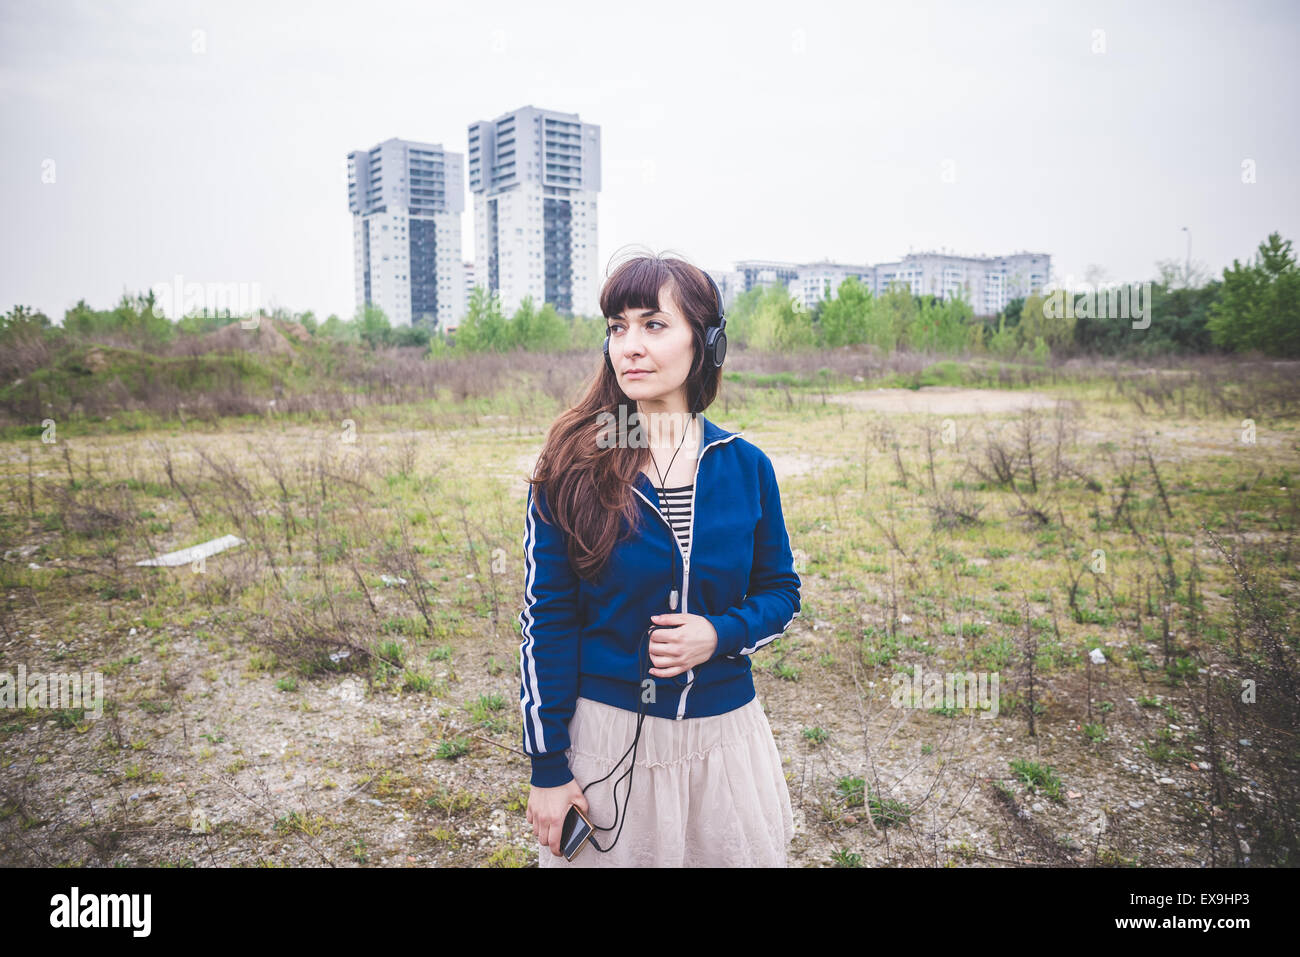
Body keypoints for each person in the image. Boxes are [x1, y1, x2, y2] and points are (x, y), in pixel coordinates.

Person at [518, 252, 801, 867]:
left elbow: (781, 592)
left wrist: (720, 634)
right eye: (617, 327)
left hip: (723, 740)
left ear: (705, 341)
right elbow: (547, 620)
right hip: (606, 742)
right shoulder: (571, 466)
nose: (630, 346)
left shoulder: (745, 466)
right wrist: (547, 767)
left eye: (653, 324)